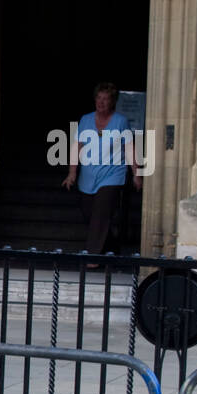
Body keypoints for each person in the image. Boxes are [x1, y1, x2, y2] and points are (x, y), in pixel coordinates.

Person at [61, 82, 142, 263]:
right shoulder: (86, 120)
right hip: (88, 176)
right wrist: (72, 173)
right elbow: (77, 147)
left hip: (112, 175)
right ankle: (112, 247)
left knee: (100, 214)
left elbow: (129, 148)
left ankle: (92, 256)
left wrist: (137, 174)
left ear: (112, 102)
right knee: (89, 213)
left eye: (106, 99)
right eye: (99, 98)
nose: (101, 102)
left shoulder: (120, 121)